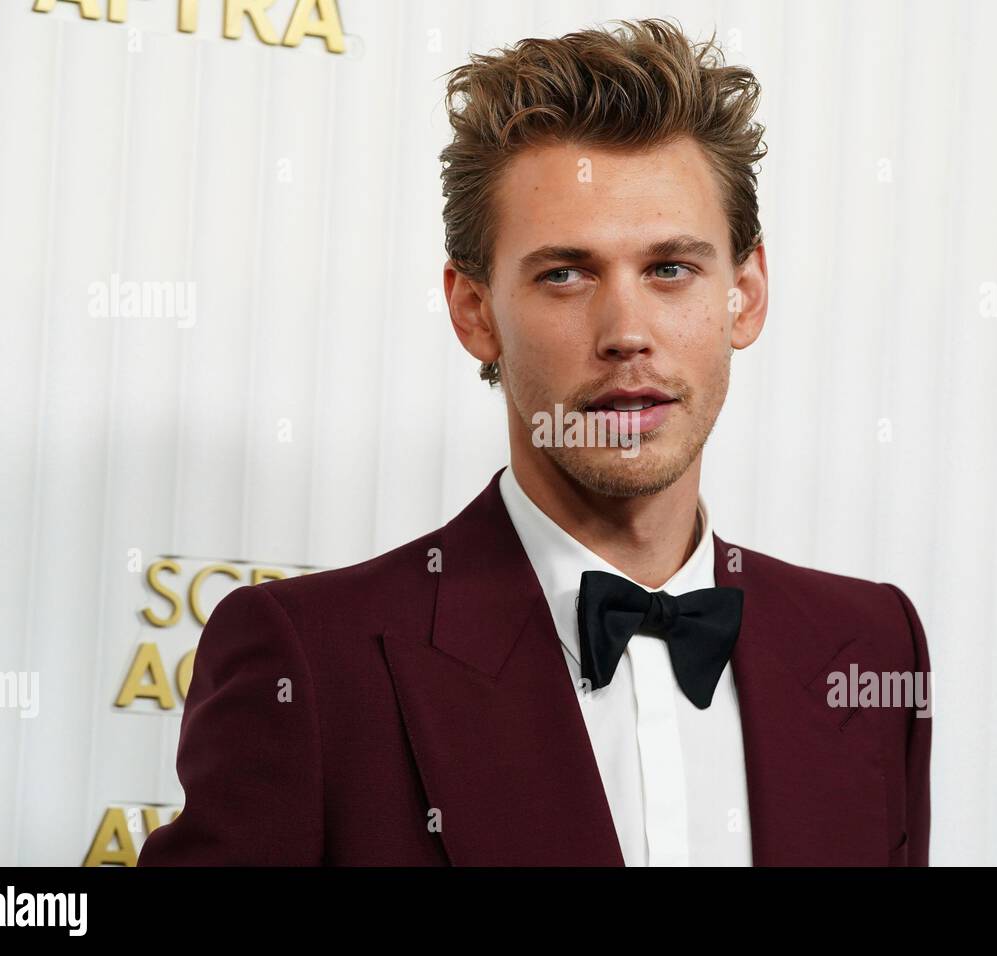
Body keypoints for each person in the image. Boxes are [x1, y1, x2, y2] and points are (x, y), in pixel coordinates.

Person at [138, 17, 930, 867]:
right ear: (474, 312)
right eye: (566, 273)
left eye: (670, 269)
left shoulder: (871, 646)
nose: (627, 331)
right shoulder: (315, 662)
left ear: (746, 293)